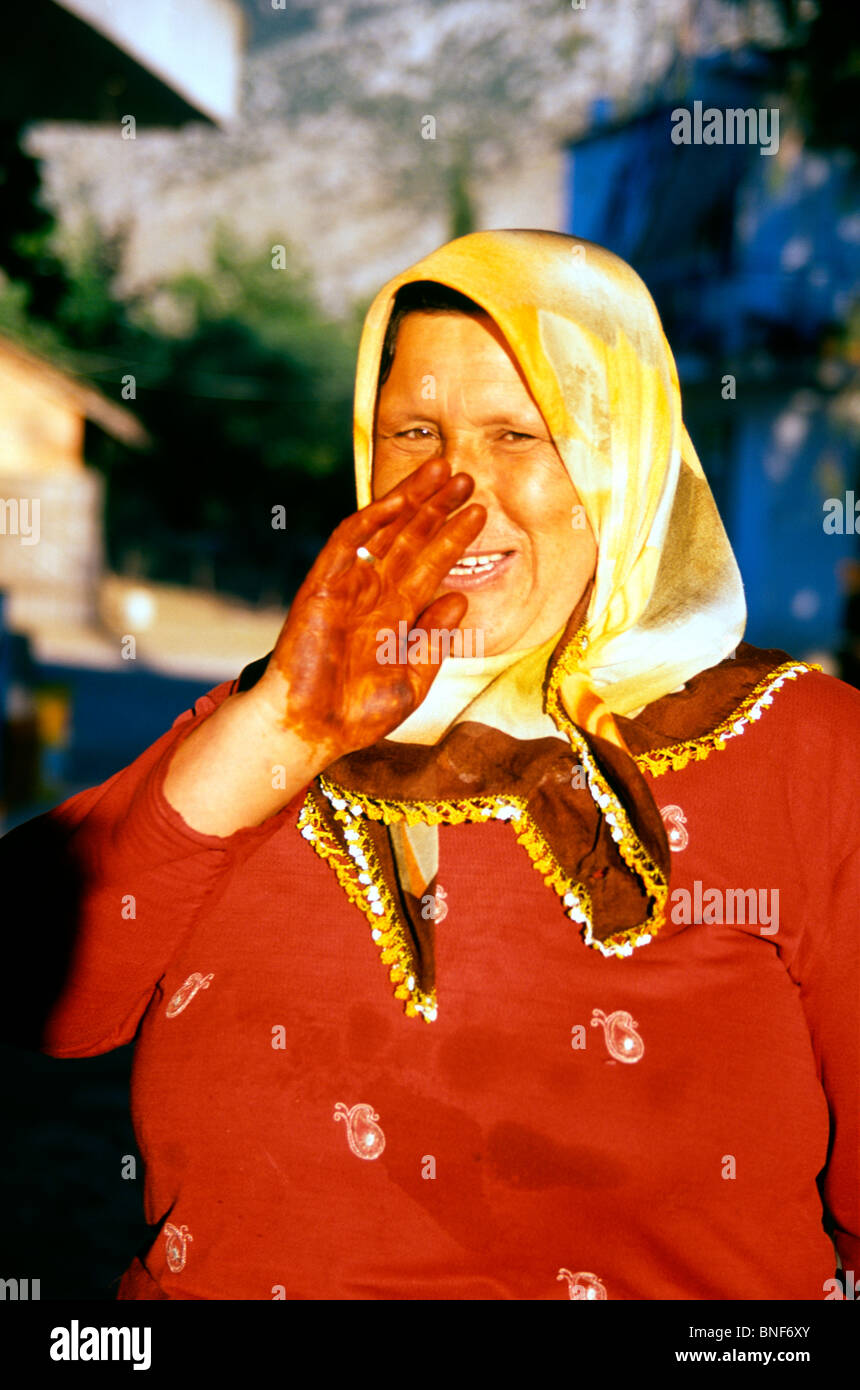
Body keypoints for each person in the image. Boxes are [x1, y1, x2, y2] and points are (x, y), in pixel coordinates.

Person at [2, 229, 857, 1301]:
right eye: (417, 430)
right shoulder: (280, 716)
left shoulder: (803, 754)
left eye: (519, 433)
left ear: (619, 453)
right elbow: (42, 985)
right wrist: (282, 729)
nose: (459, 484)